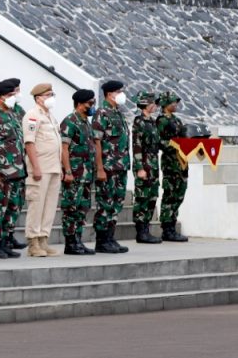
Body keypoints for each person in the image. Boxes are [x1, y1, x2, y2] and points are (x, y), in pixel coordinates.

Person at [0, 80, 25, 260]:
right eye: (10, 96)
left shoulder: (11, 115)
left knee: (12, 208)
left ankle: (4, 241)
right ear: (0, 97)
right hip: (2, 172)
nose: (13, 98)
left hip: (16, 171)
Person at [23, 83, 63, 257]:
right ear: (38, 98)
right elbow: (29, 142)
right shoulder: (32, 116)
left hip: (53, 167)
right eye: (48, 95)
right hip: (40, 169)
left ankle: (43, 239)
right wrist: (36, 167)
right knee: (37, 205)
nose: (51, 98)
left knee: (49, 206)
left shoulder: (51, 117)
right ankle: (33, 242)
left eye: (52, 94)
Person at [92, 79, 130, 254]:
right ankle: (102, 240)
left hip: (120, 166)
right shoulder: (102, 113)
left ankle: (110, 237)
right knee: (105, 203)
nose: (121, 94)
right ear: (109, 94)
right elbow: (97, 142)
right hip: (107, 167)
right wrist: (99, 168)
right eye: (118, 91)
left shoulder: (118, 113)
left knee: (117, 204)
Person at [60, 90, 97, 255]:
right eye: (90, 104)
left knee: (83, 208)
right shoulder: (70, 121)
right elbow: (64, 148)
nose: (92, 107)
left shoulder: (86, 122)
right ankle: (70, 243)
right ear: (80, 104)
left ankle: (78, 240)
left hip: (86, 174)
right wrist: (67, 171)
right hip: (74, 173)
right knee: (71, 208)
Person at [157, 91, 189, 242]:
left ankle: (172, 224)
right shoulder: (162, 121)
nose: (175, 105)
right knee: (170, 195)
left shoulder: (176, 120)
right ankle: (167, 228)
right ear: (165, 105)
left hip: (181, 161)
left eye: (176, 102)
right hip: (170, 163)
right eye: (172, 102)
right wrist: (174, 144)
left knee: (179, 194)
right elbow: (160, 141)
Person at [131, 91, 163, 245]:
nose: (155, 106)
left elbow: (159, 143)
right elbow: (136, 146)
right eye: (153, 103)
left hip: (153, 162)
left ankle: (147, 228)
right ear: (146, 104)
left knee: (152, 196)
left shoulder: (153, 122)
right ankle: (141, 231)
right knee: (142, 197)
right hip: (144, 162)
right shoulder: (139, 122)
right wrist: (139, 167)